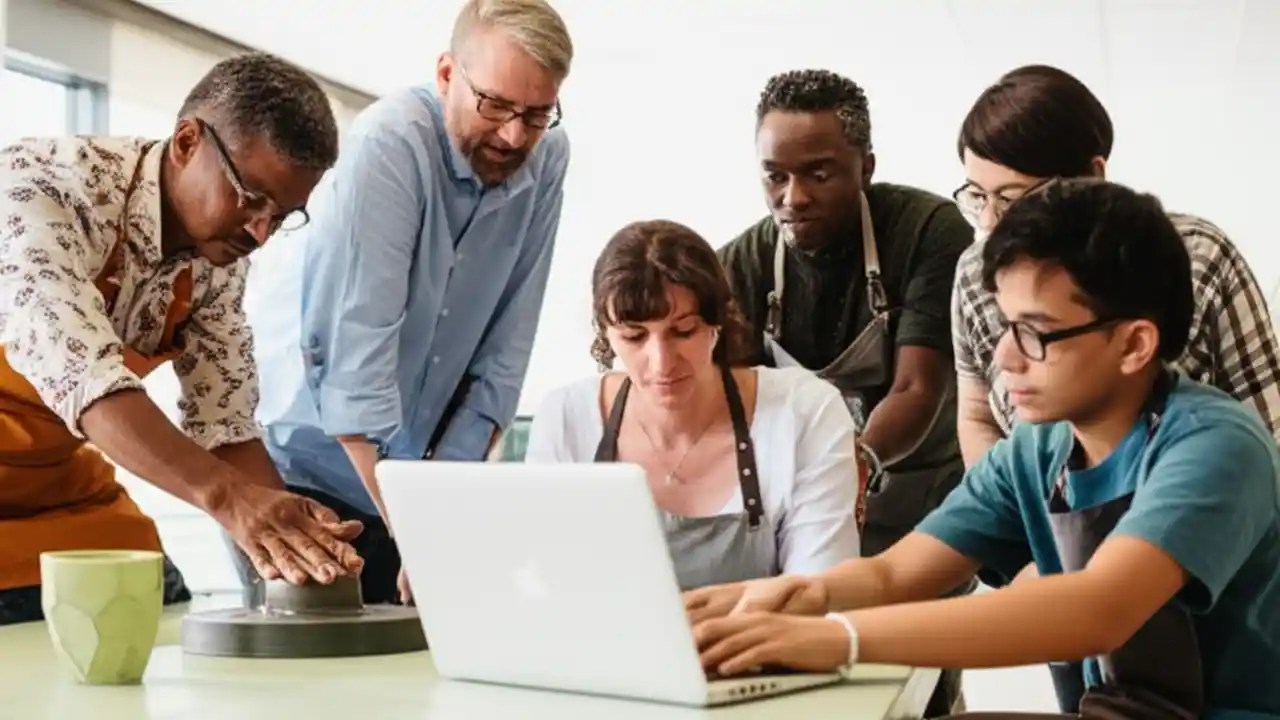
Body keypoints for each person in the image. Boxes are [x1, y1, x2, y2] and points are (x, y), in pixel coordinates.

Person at [687, 179, 1280, 720]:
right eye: (1004, 326)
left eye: (1034, 332)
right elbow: (896, 573)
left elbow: (1096, 610)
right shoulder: (1038, 449)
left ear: (1134, 345)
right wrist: (783, 598)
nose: (1002, 357)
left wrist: (838, 638)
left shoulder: (1215, 446)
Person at [0, 52, 365, 625]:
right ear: (187, 141)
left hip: (58, 489)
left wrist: (291, 544)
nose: (262, 232)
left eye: (284, 214)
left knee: (153, 590)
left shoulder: (221, 255)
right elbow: (88, 381)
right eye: (252, 198)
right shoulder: (37, 191)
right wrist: (230, 501)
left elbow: (226, 426)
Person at [249, 0, 573, 606]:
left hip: (409, 476)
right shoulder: (392, 141)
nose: (513, 134)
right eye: (495, 105)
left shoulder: (548, 156)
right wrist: (425, 533)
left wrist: (440, 513)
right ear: (448, 74)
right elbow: (356, 363)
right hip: (302, 466)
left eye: (535, 114)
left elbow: (506, 348)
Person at [717, 68, 972, 716]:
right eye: (775, 175)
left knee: (920, 687)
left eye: (819, 173)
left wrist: (857, 462)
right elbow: (739, 412)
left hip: (918, 501)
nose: (792, 197)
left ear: (866, 167)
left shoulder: (927, 229)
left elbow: (920, 385)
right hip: (809, 510)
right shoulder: (744, 263)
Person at [951, 64, 1280, 468]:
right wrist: (1005, 515)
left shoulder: (1199, 255)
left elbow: (1267, 419)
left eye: (1012, 196)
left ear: (1092, 176)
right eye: (977, 196)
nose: (989, 221)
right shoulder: (972, 272)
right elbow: (976, 414)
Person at [525, 220, 861, 591]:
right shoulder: (565, 418)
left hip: (763, 647)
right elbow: (548, 585)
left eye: (683, 331)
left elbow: (820, 594)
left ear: (718, 321)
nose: (662, 362)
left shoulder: (804, 412)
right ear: (604, 333)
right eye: (634, 337)